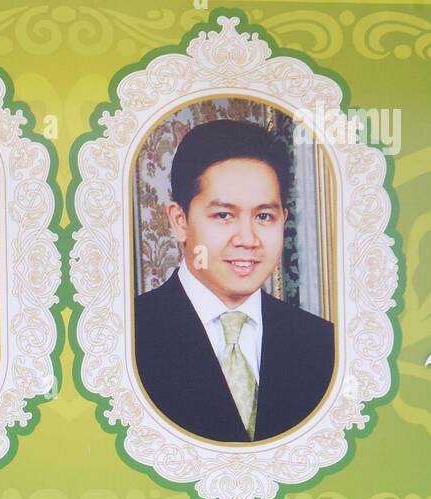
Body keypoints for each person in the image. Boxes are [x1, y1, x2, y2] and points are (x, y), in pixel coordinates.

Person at [134, 119, 335, 443]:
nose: (247, 239)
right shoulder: (126, 335)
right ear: (179, 221)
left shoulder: (324, 343)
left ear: (283, 219)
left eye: (263, 217)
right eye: (224, 215)